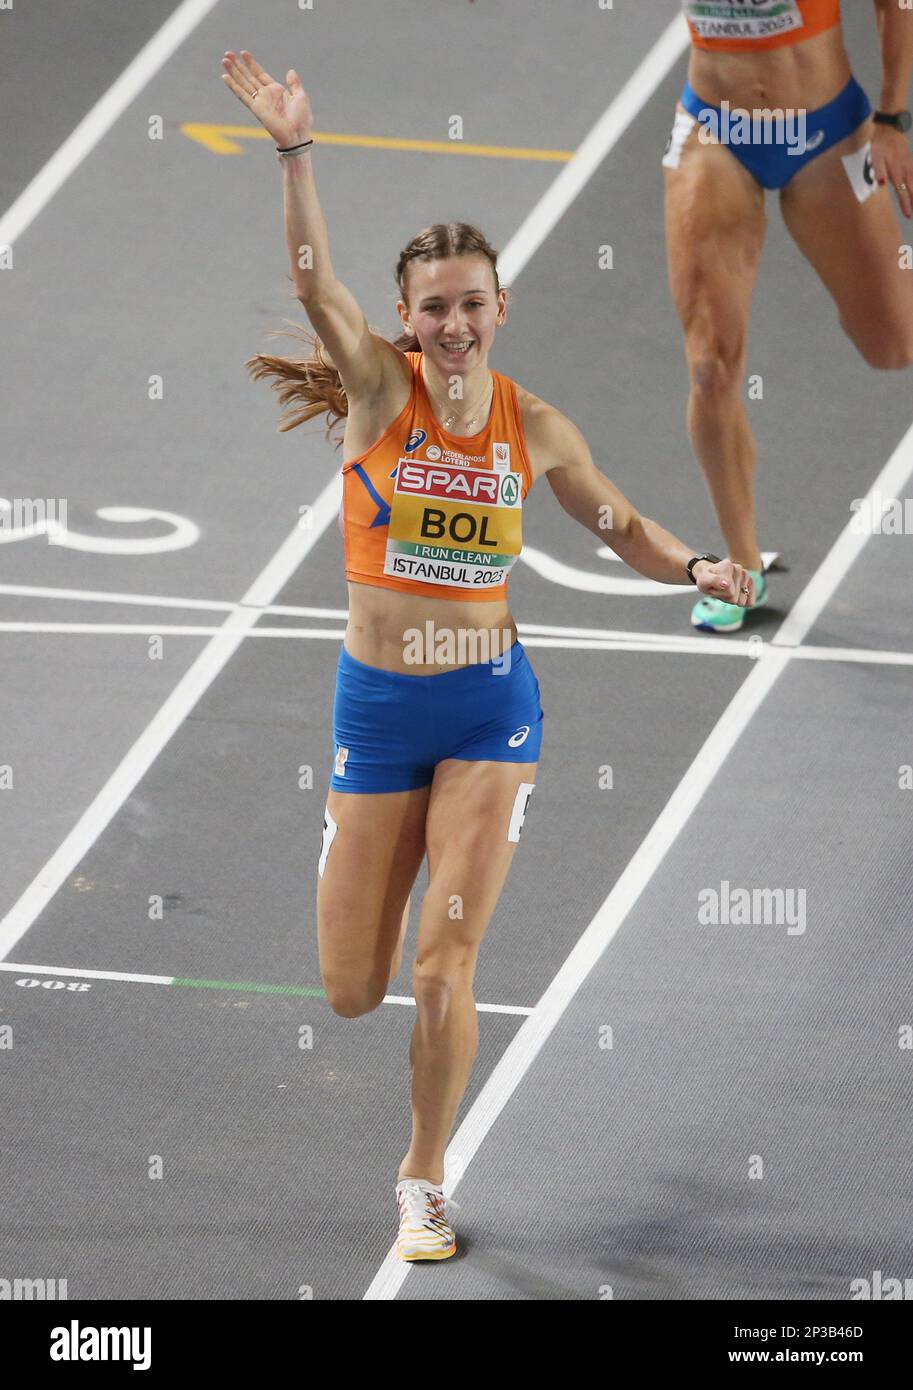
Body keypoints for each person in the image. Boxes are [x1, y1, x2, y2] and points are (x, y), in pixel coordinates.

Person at [221, 47, 755, 1262]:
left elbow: (615, 521)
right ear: (407, 323)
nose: (454, 324)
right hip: (377, 717)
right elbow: (312, 284)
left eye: (473, 302)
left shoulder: (537, 426)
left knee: (446, 960)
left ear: (500, 308)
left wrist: (698, 568)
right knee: (354, 989)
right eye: (433, 307)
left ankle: (422, 1175)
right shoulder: (376, 393)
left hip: (489, 716)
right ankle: (359, 868)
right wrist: (296, 153)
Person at [664, 0, 913, 632]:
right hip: (715, 132)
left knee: (893, 343)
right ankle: (740, 566)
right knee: (710, 368)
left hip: (832, 131)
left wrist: (891, 116)